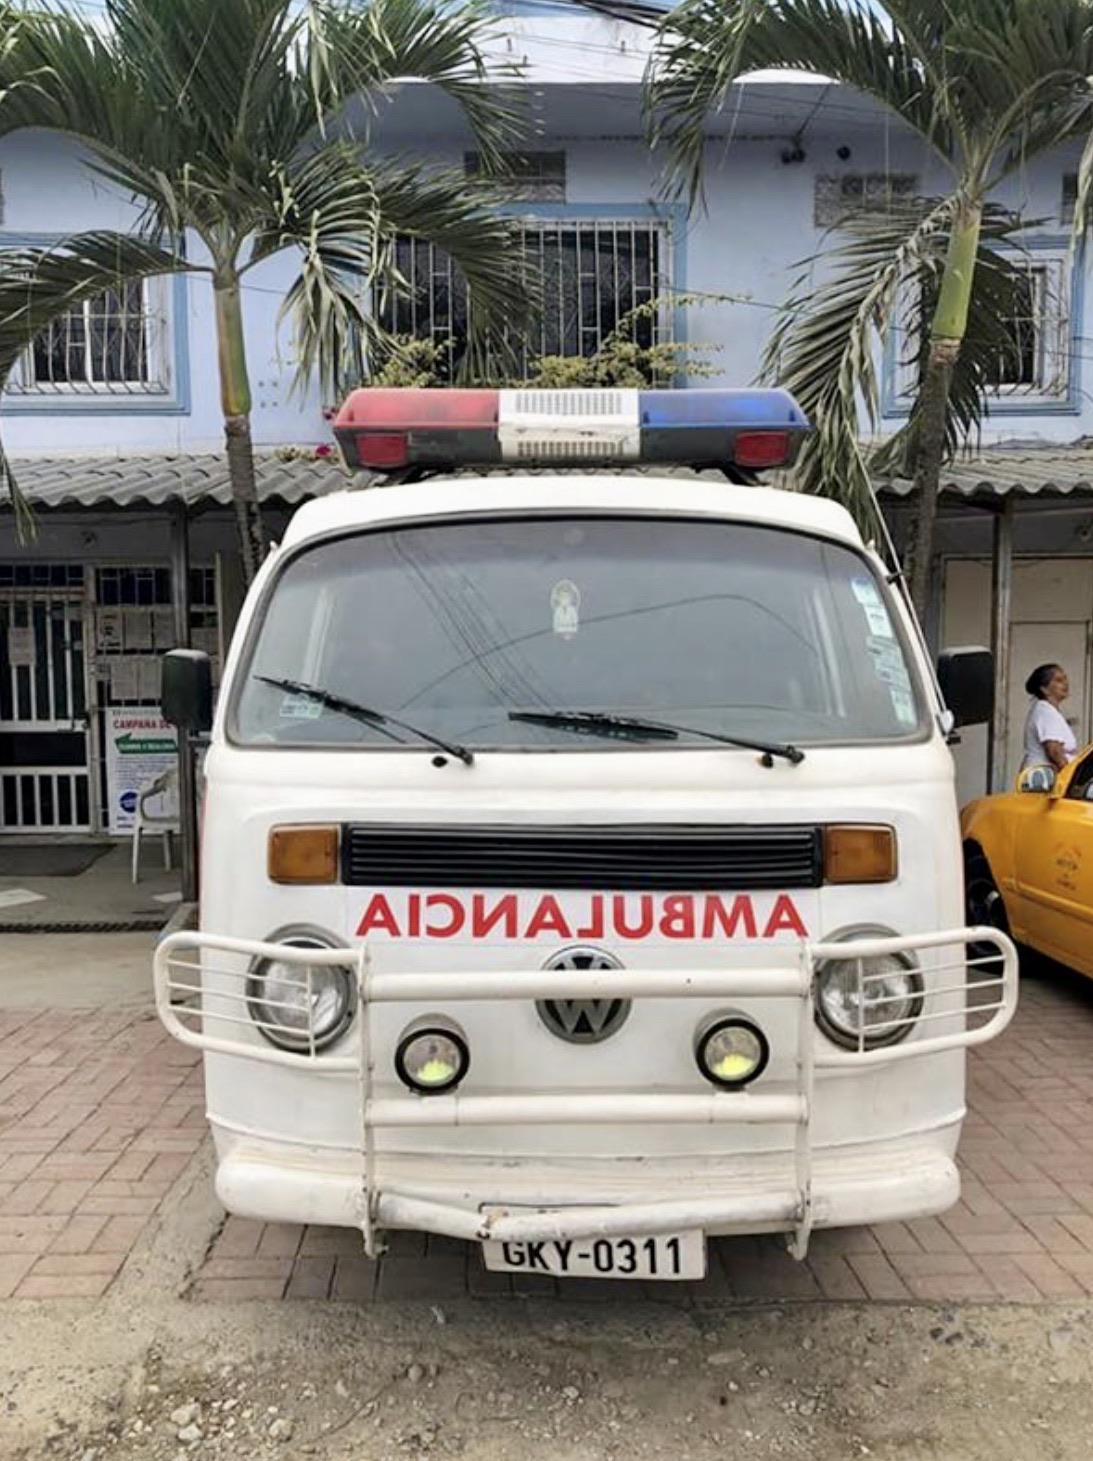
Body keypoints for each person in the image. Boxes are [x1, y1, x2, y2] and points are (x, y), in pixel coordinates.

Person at [1020, 663, 1078, 773]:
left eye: (1065, 678)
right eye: (1059, 680)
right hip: (1045, 781)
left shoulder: (1050, 711)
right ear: (1044, 689)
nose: (1065, 683)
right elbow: (1054, 751)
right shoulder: (1045, 711)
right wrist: (1071, 777)